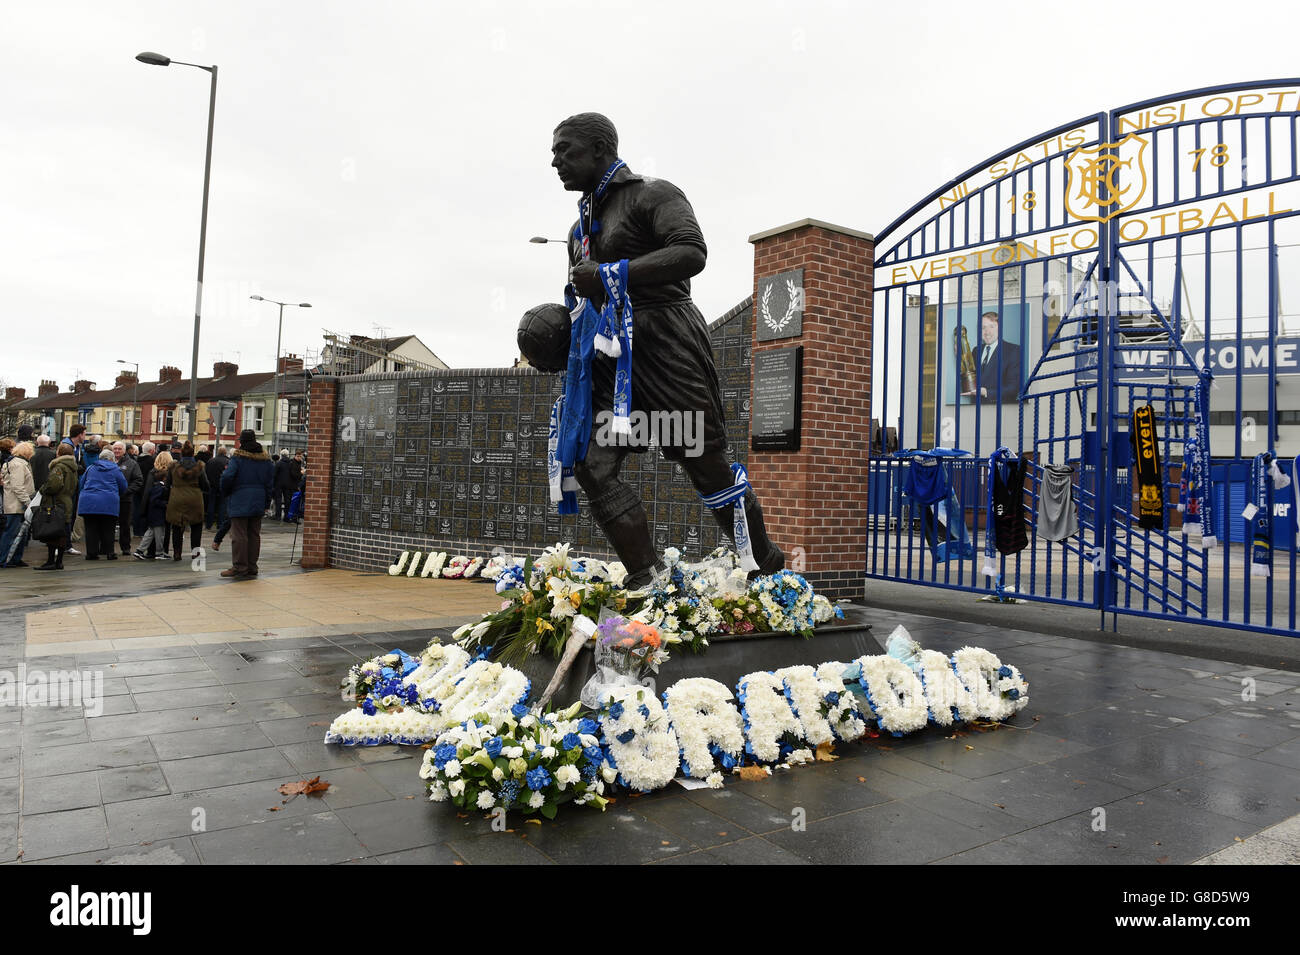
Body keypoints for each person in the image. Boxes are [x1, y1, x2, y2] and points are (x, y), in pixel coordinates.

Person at [550, 112, 783, 586]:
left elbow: (691, 251)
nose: (555, 161)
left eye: (564, 150)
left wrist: (615, 273)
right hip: (609, 355)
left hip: (665, 340)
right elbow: (585, 294)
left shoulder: (653, 194)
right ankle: (647, 577)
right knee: (591, 464)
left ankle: (766, 565)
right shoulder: (577, 230)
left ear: (599, 149)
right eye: (554, 152)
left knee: (706, 463)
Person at [220, 429, 273, 579]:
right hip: (258, 500)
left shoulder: (238, 459)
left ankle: (239, 567)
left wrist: (227, 492)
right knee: (254, 534)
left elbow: (227, 478)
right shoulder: (266, 460)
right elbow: (270, 484)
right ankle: (252, 566)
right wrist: (266, 502)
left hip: (239, 500)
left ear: (241, 442)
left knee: (239, 535)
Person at [77, 448, 128, 560]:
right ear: (111, 459)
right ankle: (109, 552)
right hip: (108, 502)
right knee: (108, 528)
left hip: (89, 502)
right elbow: (123, 486)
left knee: (91, 529)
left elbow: (82, 483)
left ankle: (91, 553)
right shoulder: (115, 469)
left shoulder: (91, 468)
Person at [34, 444, 77, 570]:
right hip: (67, 501)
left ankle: (51, 561)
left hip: (55, 502)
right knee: (62, 532)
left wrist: (43, 489)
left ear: (59, 453)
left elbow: (53, 485)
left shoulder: (58, 467)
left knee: (52, 531)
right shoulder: (72, 467)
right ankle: (59, 561)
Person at [165, 442, 208, 561]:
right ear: (193, 453)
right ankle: (195, 553)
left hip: (176, 498)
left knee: (177, 526)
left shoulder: (173, 467)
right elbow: (205, 485)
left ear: (181, 453)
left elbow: (167, 484)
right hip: (195, 498)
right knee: (196, 526)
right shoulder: (199, 468)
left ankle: (177, 553)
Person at [974, 310, 1022, 404]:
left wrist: (987, 392)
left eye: (992, 326)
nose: (987, 332)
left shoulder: (1013, 350)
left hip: (1001, 410)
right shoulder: (976, 351)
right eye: (983, 327)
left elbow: (1014, 388)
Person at [1, 440, 35, 567]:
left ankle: (14, 558)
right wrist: (28, 502)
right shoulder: (18, 465)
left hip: (16, 503)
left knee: (20, 533)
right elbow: (18, 487)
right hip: (16, 504)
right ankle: (5, 559)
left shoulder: (16, 463)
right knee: (12, 532)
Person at [134, 451, 173, 560]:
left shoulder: (152, 472)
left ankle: (145, 550)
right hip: (161, 509)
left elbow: (147, 491)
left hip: (151, 508)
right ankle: (160, 552)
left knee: (151, 531)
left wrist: (144, 507)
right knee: (161, 532)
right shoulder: (168, 475)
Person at [112, 441, 143, 556]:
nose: (117, 451)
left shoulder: (132, 464)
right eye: (115, 449)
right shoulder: (107, 462)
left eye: (119, 449)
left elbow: (138, 480)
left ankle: (125, 547)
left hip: (125, 499)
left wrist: (127, 491)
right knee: (109, 524)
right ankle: (107, 548)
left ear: (124, 450)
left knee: (125, 524)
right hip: (110, 499)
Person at [134, 441, 156, 539]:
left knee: (137, 509)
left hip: (137, 489)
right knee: (145, 510)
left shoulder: (136, 460)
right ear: (151, 451)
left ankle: (136, 530)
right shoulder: (152, 461)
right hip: (147, 489)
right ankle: (143, 530)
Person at [205, 445, 229, 529]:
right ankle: (220, 524)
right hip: (223, 486)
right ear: (225, 452)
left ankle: (209, 524)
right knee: (222, 505)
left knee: (211, 505)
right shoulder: (227, 461)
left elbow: (206, 473)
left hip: (212, 485)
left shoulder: (211, 461)